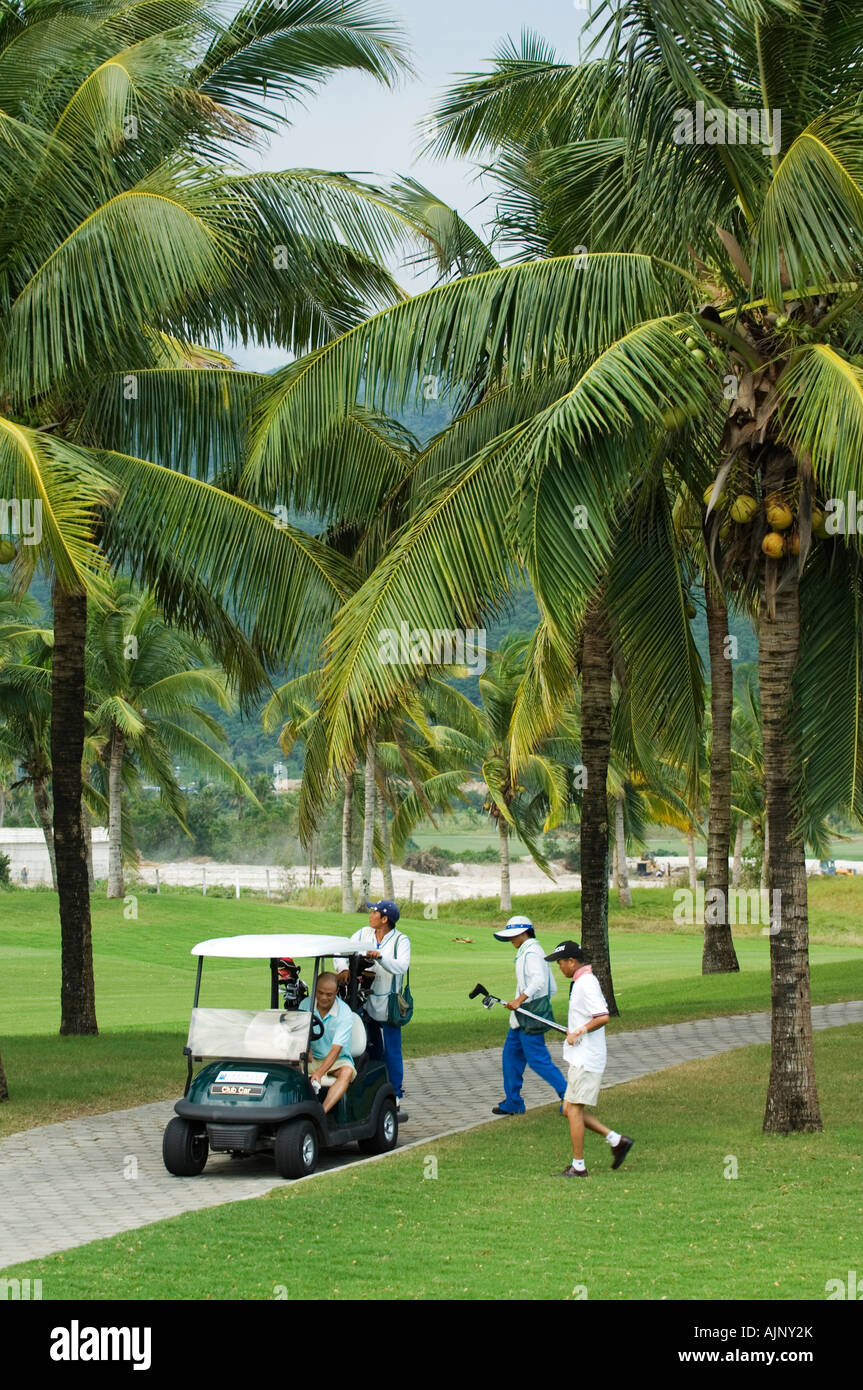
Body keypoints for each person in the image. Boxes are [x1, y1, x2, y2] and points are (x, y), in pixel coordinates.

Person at [544, 939, 634, 1177]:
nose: (559, 967)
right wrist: (574, 1029)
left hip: (586, 1057)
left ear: (572, 962)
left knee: (572, 1109)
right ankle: (617, 1140)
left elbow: (603, 1016)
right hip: (581, 1056)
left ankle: (579, 1166)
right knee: (568, 1108)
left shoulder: (586, 983)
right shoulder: (581, 981)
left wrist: (580, 1031)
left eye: (560, 963)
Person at [335, 900, 410, 1115]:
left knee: (392, 1051)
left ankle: (394, 1094)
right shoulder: (363, 933)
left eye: (374, 912)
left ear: (385, 919)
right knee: (368, 1047)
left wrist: (381, 957)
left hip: (388, 1004)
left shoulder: (401, 940)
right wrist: (343, 969)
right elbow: (342, 952)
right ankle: (372, 1090)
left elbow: (401, 966)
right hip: (363, 1000)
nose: (370, 914)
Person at [491, 915, 567, 1116]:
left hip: (529, 1014)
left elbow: (540, 981)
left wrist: (520, 1000)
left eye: (513, 936)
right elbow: (552, 986)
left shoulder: (532, 952)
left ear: (525, 933)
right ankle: (513, 1102)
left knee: (538, 1060)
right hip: (521, 1016)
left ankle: (569, 1096)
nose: (510, 940)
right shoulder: (529, 950)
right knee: (510, 1057)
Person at [298, 972, 356, 1115]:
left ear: (336, 992)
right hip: (312, 1058)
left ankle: (322, 1113)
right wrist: (306, 1048)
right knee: (285, 1069)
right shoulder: (306, 1004)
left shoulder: (345, 1013)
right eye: (320, 993)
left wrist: (319, 1073)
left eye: (329, 994)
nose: (323, 998)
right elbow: (299, 1032)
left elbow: (336, 1050)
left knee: (347, 1072)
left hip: (337, 1060)